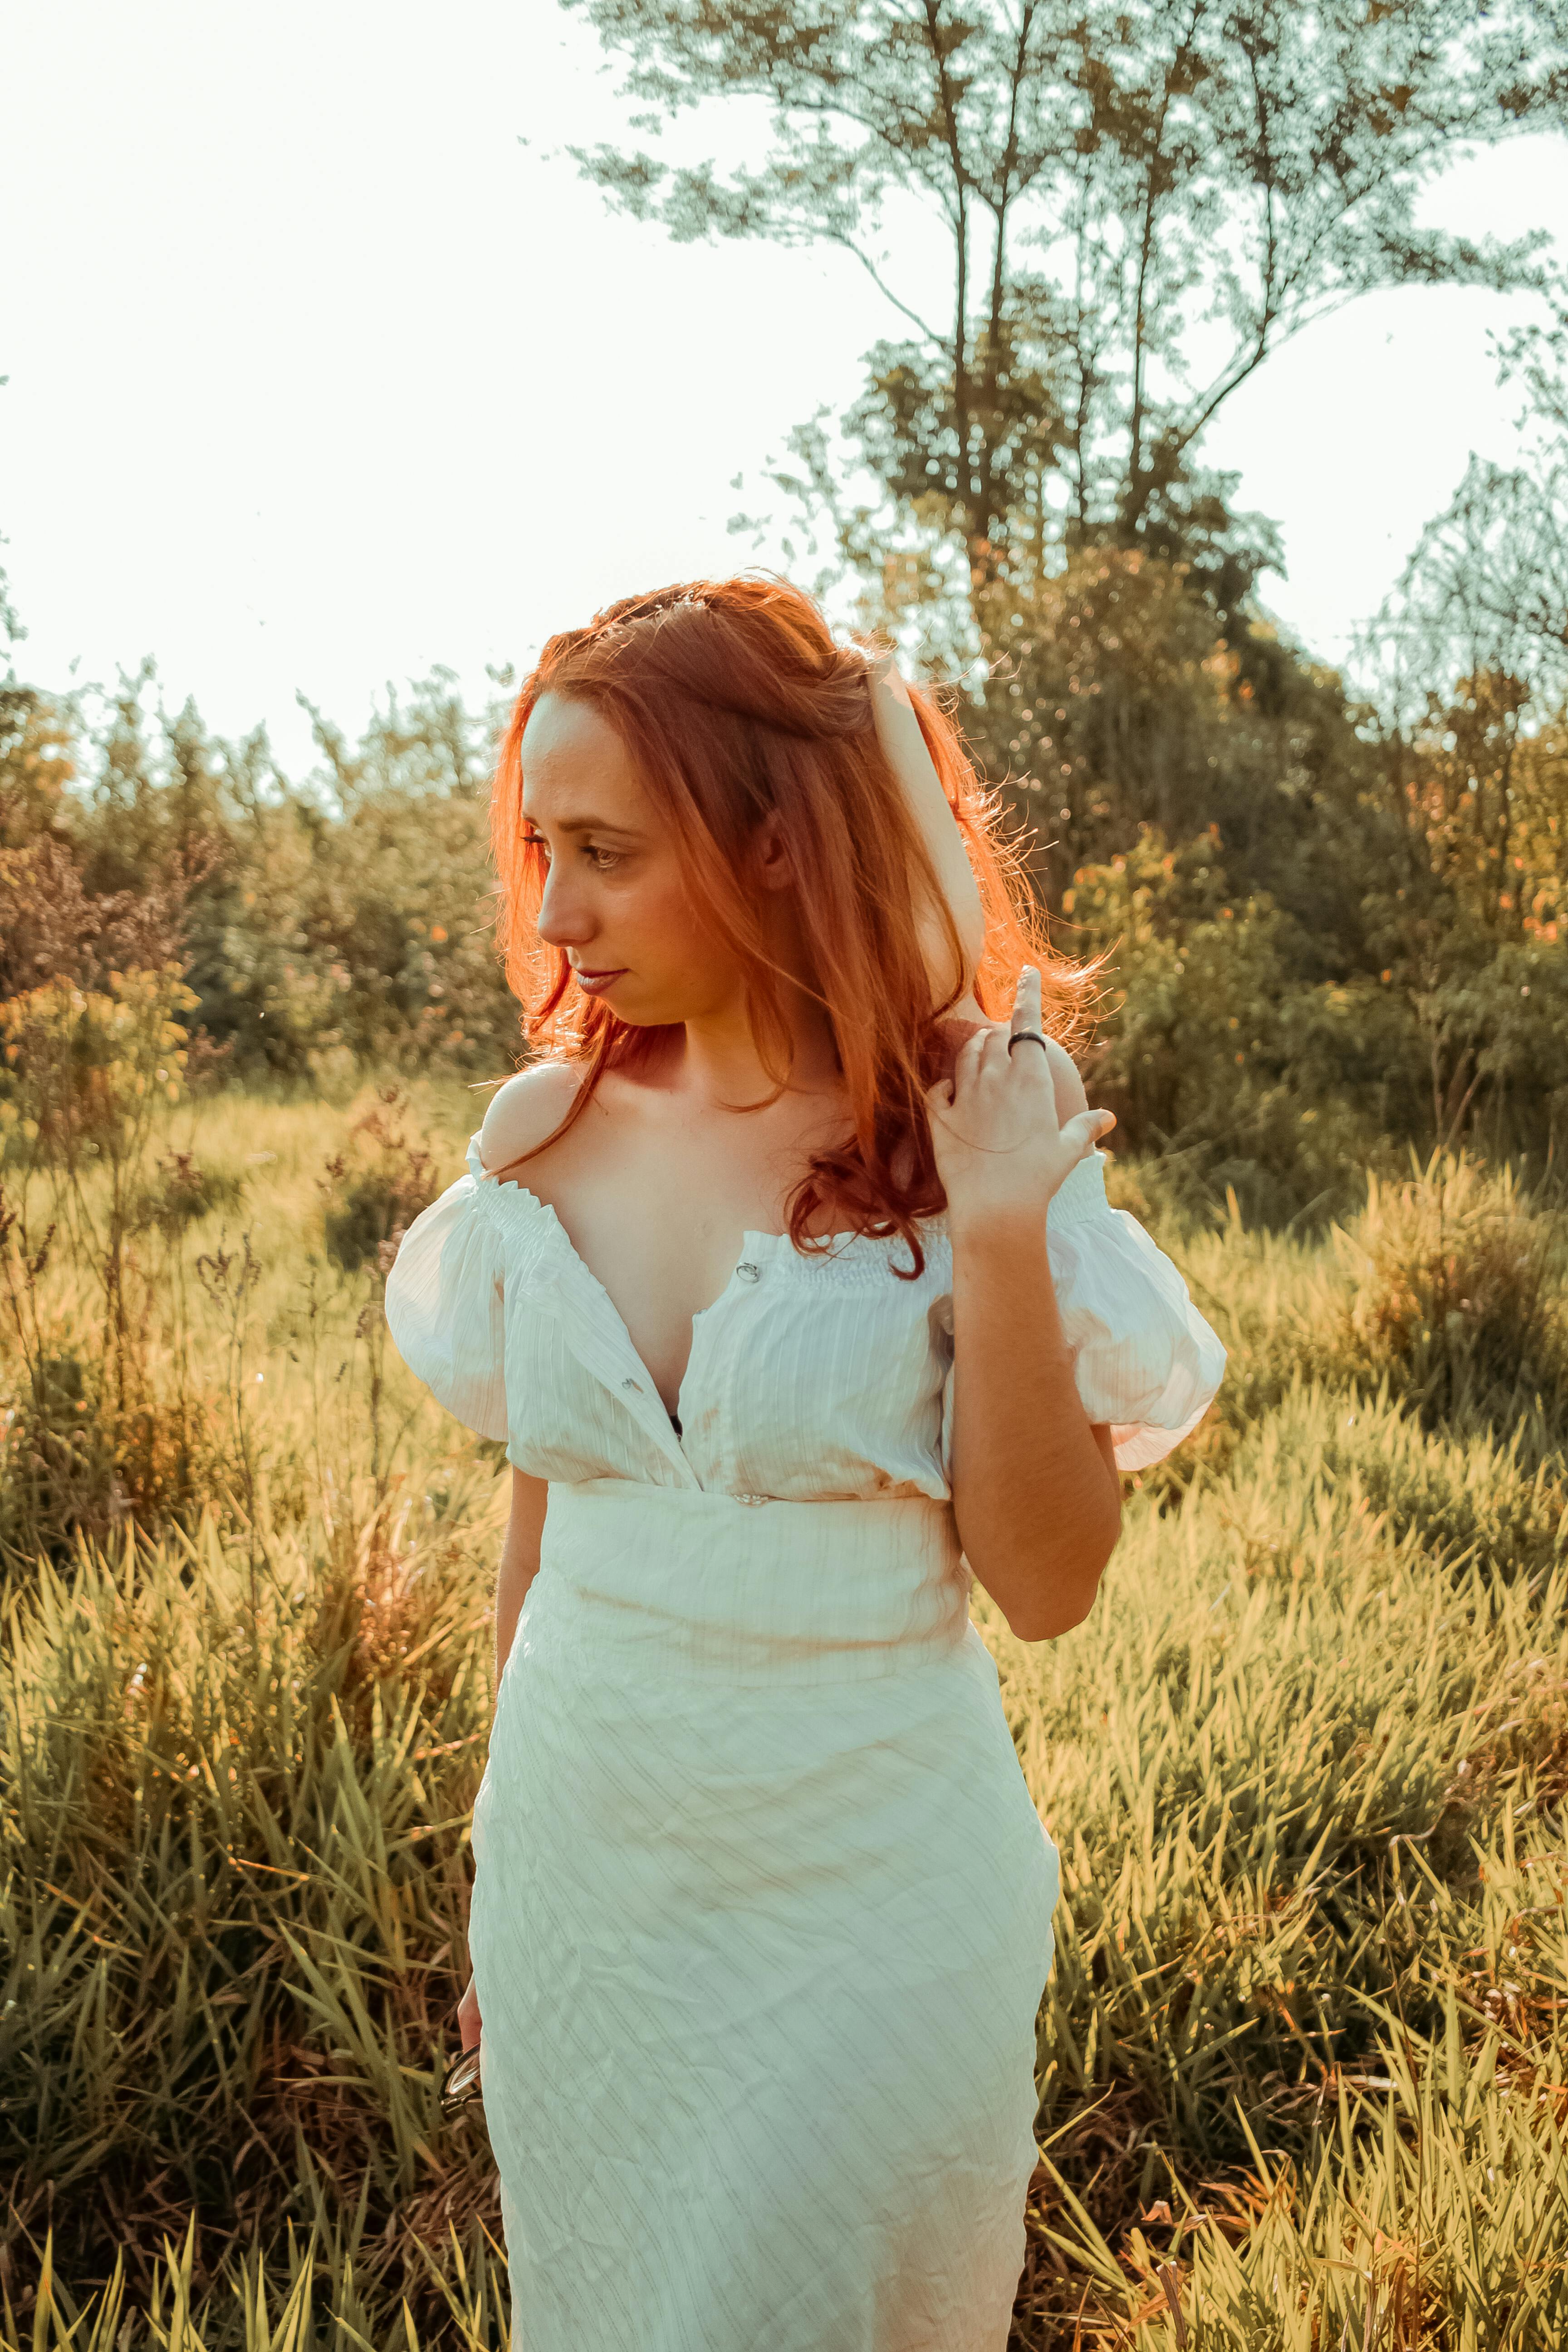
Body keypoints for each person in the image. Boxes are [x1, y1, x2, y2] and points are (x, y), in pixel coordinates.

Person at [385, 574, 1225, 2352]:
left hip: (870, 1893)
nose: (557, 910)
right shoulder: (544, 1140)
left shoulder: (964, 1136)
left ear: (773, 841)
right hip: (587, 1879)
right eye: (541, 849)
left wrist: (999, 1234)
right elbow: (544, 1528)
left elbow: (1052, 1586)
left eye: (605, 851)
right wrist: (495, 1874)